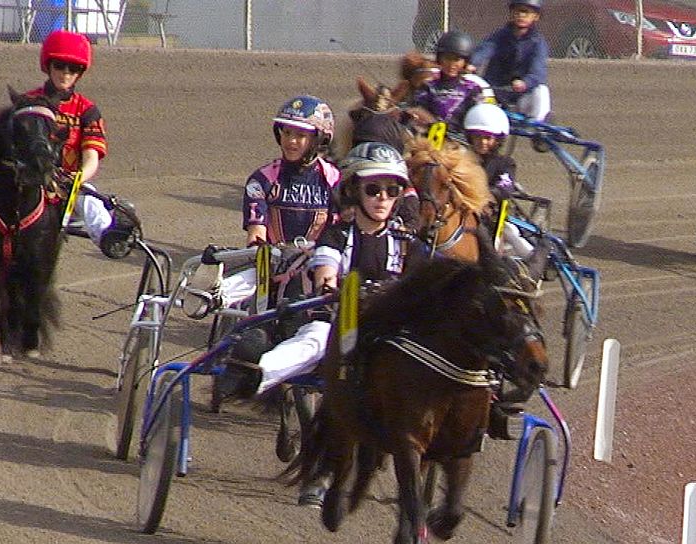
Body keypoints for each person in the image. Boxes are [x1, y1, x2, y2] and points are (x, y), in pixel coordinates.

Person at [229, 142, 416, 506]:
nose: (382, 198)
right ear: (354, 191)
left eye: (391, 190)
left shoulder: (405, 243)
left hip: (387, 335)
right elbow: (325, 272)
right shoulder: (337, 235)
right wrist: (331, 285)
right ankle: (259, 374)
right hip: (337, 321)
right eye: (373, 189)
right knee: (313, 340)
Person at [212, 95, 341, 310]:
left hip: (318, 266)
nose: (291, 141)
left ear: (319, 139)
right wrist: (266, 255)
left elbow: (338, 234)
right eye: (287, 132)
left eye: (300, 135)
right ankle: (214, 298)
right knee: (219, 292)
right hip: (271, 265)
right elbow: (256, 235)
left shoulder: (335, 180)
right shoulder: (262, 179)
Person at [30, 30, 136, 258]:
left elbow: (91, 158)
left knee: (90, 201)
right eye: (60, 66)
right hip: (30, 179)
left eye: (74, 68)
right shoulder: (29, 102)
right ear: (48, 66)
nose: (66, 73)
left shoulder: (86, 111)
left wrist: (77, 178)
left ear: (80, 73)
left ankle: (109, 236)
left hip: (67, 185)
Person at [463, 102, 534, 259]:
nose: (482, 142)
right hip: (463, 211)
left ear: (498, 140)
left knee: (511, 233)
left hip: (492, 217)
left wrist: (486, 198)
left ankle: (531, 260)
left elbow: (504, 187)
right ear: (470, 137)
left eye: (488, 138)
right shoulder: (461, 159)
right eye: (477, 136)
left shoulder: (505, 163)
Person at [469, 0, 552, 122]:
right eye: (517, 11)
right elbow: (485, 49)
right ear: (511, 13)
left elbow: (538, 72)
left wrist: (525, 83)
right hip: (496, 93)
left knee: (542, 91)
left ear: (536, 16)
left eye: (526, 12)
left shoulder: (538, 43)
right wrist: (472, 63)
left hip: (523, 97)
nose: (521, 15)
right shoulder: (499, 36)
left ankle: (538, 126)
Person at [409, 30, 495, 134]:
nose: (452, 64)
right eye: (447, 58)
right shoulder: (428, 87)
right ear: (440, 59)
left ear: (465, 61)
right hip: (430, 139)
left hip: (461, 141)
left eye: (457, 59)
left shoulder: (472, 89)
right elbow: (416, 114)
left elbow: (479, 120)